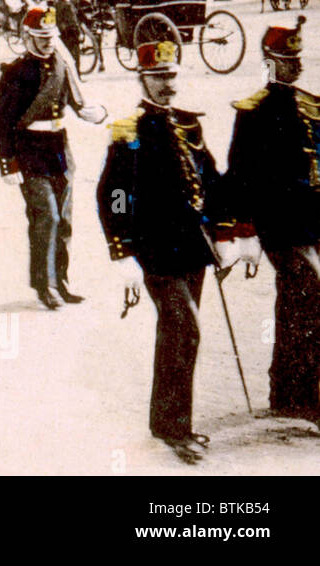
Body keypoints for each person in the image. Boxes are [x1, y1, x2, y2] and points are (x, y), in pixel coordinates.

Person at [97, 40, 235, 463]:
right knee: (184, 330)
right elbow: (116, 193)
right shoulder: (131, 132)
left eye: (172, 75)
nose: (167, 83)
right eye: (158, 76)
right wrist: (121, 249)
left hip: (193, 251)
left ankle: (168, 421)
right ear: (143, 79)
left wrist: (225, 232)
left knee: (178, 336)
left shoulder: (189, 126)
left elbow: (210, 180)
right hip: (156, 252)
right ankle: (175, 427)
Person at [222, 16, 320, 428]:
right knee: (309, 292)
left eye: (296, 59)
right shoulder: (254, 112)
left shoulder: (313, 106)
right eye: (285, 60)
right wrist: (240, 232)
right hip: (279, 226)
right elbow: (239, 175)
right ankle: (306, 396)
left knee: (297, 302)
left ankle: (286, 389)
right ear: (270, 62)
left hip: (313, 223)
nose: (294, 66)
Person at [0, 5, 106, 309]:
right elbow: (1, 123)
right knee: (47, 218)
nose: (47, 42)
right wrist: (8, 162)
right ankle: (44, 284)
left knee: (64, 222)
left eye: (51, 36)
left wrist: (93, 113)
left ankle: (62, 280)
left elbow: (74, 102)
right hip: (29, 152)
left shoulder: (61, 65)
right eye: (40, 37)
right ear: (27, 37)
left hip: (59, 150)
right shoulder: (15, 72)